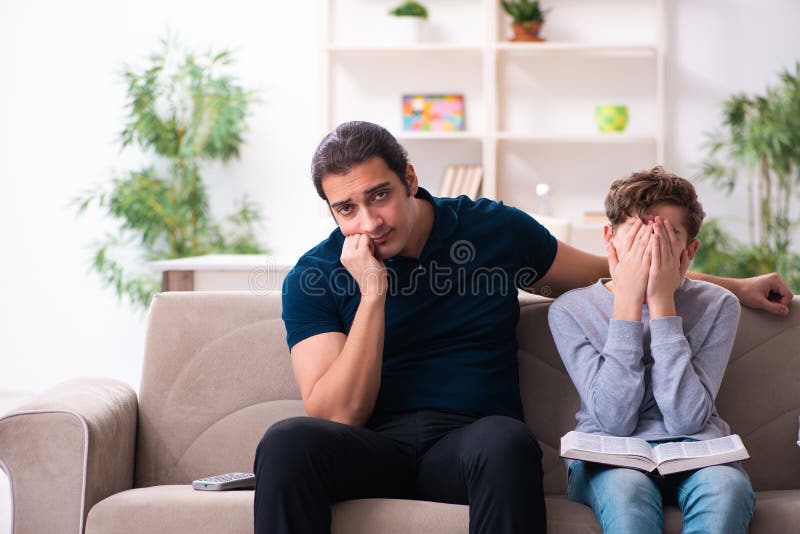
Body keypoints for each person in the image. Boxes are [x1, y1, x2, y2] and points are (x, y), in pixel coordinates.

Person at [253, 122, 790, 534]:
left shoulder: (492, 230)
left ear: (410, 179)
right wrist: (372, 295)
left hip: (469, 446)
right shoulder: (317, 276)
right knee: (285, 442)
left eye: (379, 195)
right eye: (345, 209)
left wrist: (734, 285)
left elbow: (614, 268)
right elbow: (339, 414)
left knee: (506, 441)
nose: (368, 222)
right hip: (372, 449)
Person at [548, 167, 756, 533]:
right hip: (608, 456)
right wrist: (627, 303)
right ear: (610, 240)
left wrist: (662, 306)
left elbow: (687, 419)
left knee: (727, 489)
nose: (651, 247)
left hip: (698, 452)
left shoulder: (719, 305)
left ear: (689, 251)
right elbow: (614, 420)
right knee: (627, 495)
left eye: (665, 235)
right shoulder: (570, 311)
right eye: (641, 234)